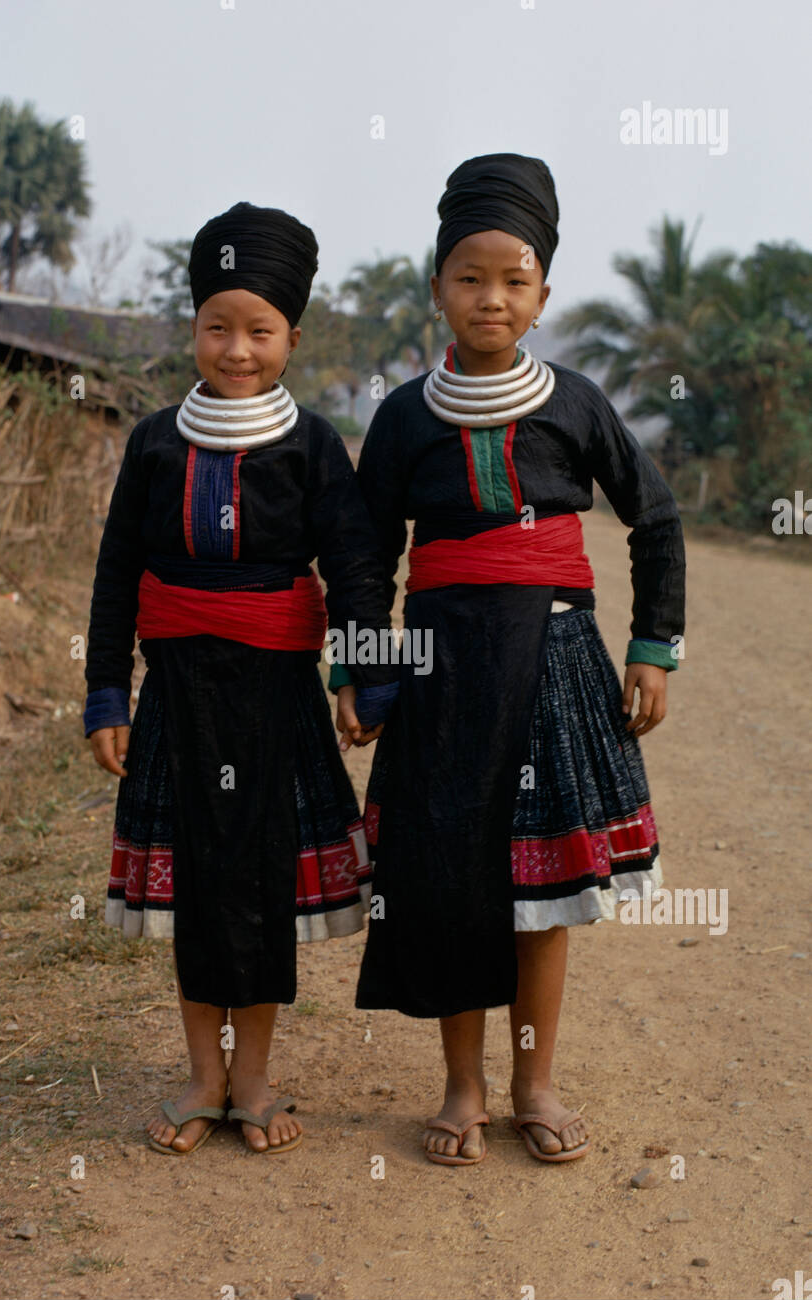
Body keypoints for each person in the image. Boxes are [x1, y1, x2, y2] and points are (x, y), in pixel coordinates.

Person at [334, 154, 685, 1166]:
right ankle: (463, 1086)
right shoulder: (403, 417)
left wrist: (651, 648)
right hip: (443, 670)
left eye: (514, 279)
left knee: (538, 887)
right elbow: (364, 553)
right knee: (447, 876)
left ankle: (535, 1079)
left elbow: (652, 515)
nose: (491, 297)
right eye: (468, 276)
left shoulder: (575, 402)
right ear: (436, 284)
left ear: (542, 293)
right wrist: (363, 667)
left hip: (555, 660)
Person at [84, 201, 396, 1156]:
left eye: (259, 330)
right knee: (195, 885)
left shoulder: (310, 447)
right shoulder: (152, 443)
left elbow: (355, 567)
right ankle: (200, 1079)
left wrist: (363, 675)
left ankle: (253, 1082)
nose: (237, 349)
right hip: (178, 691)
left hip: (272, 694)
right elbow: (116, 572)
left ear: (291, 337)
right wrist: (108, 692)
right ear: (191, 330)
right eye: (217, 326)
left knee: (256, 883)